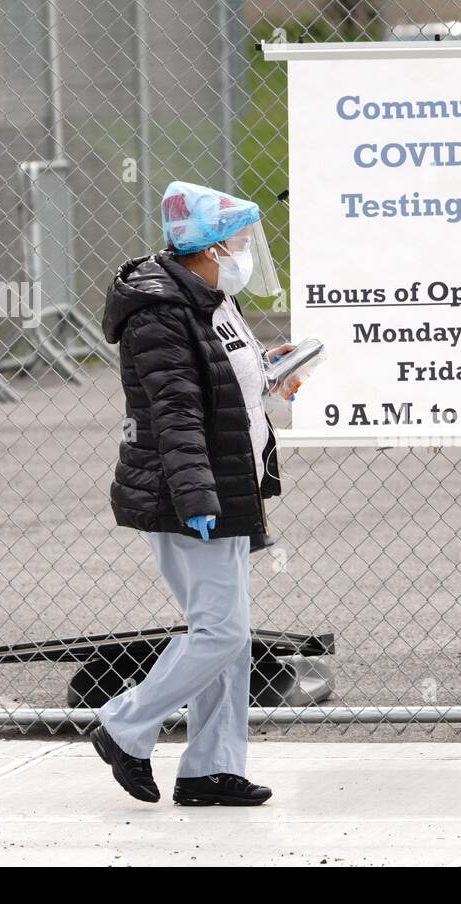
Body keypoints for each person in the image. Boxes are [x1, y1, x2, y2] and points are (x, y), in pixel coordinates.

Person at [90, 181, 296, 807]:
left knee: (225, 635)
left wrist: (270, 372)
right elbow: (175, 414)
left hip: (227, 484)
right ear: (207, 248)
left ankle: (211, 768)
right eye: (236, 241)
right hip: (190, 494)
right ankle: (124, 725)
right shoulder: (160, 313)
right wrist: (197, 501)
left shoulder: (212, 299)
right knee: (223, 636)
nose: (244, 252)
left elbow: (226, 378)